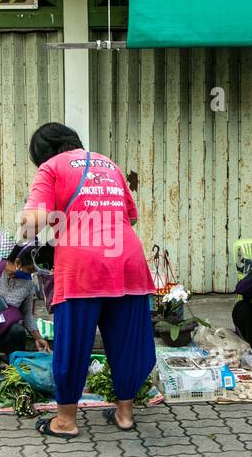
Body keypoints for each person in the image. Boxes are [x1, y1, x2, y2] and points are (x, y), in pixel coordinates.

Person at [18, 123, 156, 438]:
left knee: (73, 343)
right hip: (127, 259)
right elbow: (131, 216)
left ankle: (65, 421)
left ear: (43, 153)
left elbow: (32, 222)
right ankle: (124, 414)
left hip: (82, 266)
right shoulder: (109, 163)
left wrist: (29, 237)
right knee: (127, 341)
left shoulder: (51, 168)